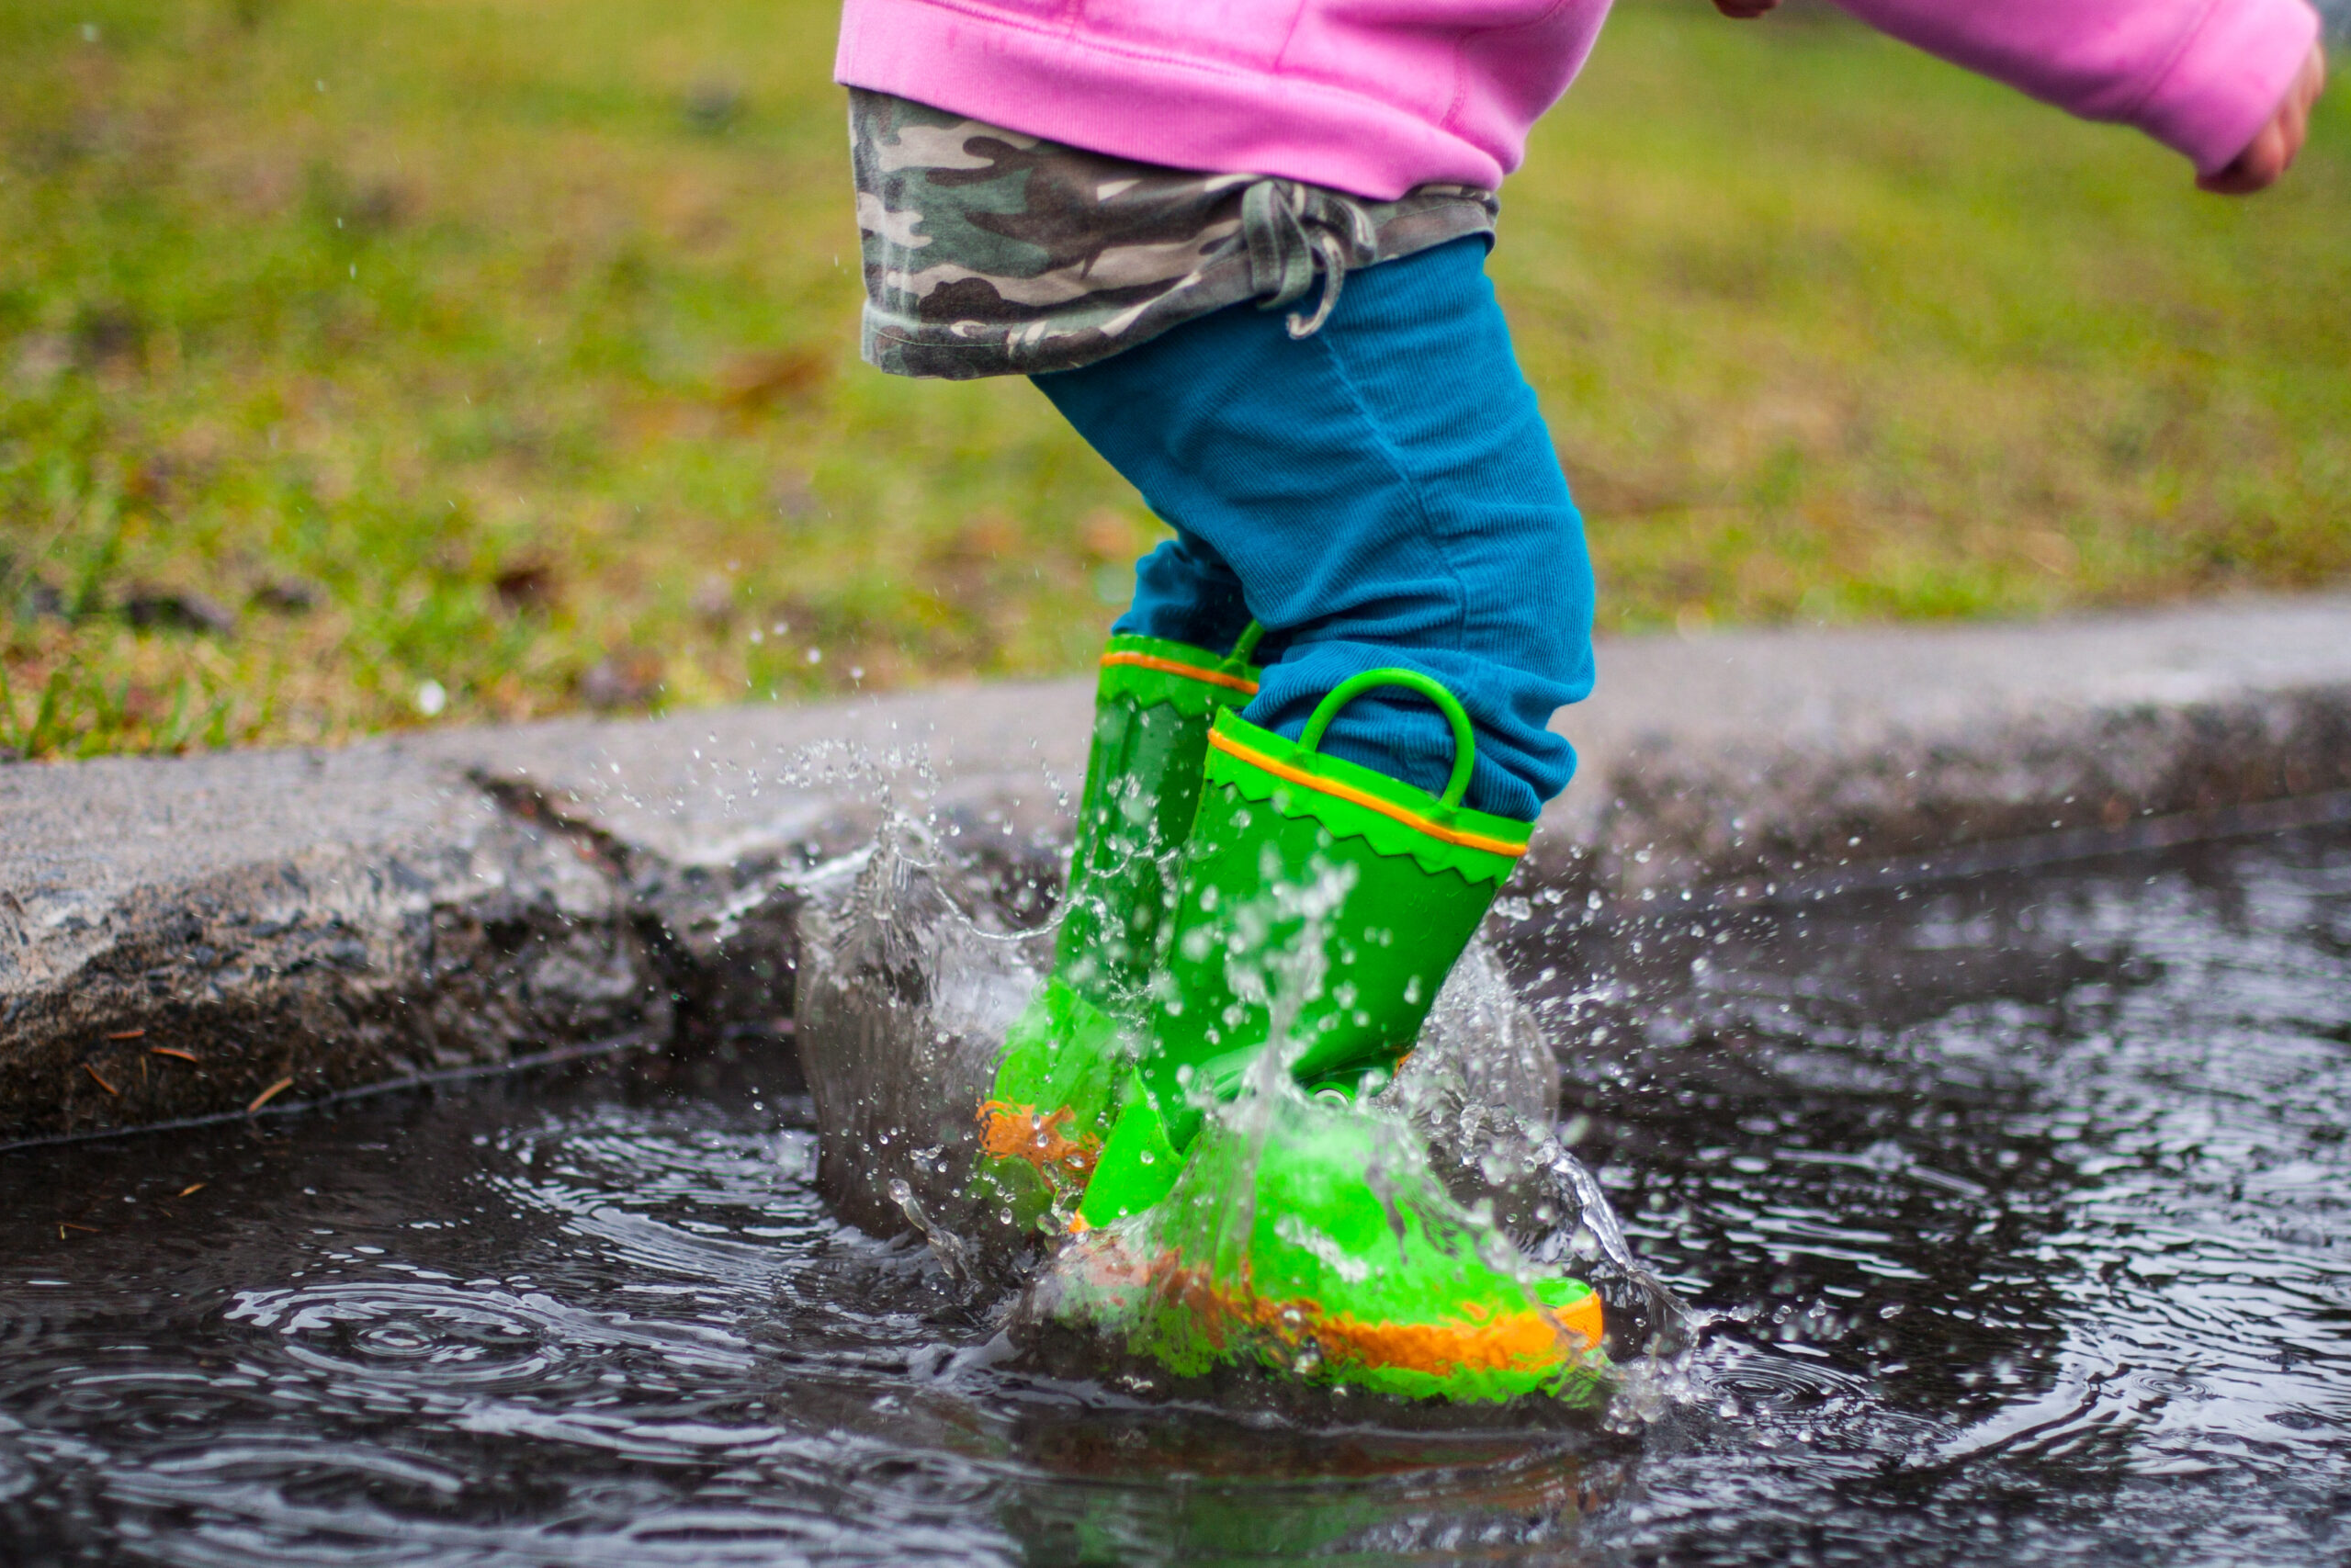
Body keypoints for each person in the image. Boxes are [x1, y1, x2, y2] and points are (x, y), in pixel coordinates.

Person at [836, 0, 2327, 1399]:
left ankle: (1100, 1075)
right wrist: (2196, 41)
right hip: (1222, 127)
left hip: (1018, 77)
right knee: (1456, 602)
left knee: (1280, 557)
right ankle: (1247, 1188)